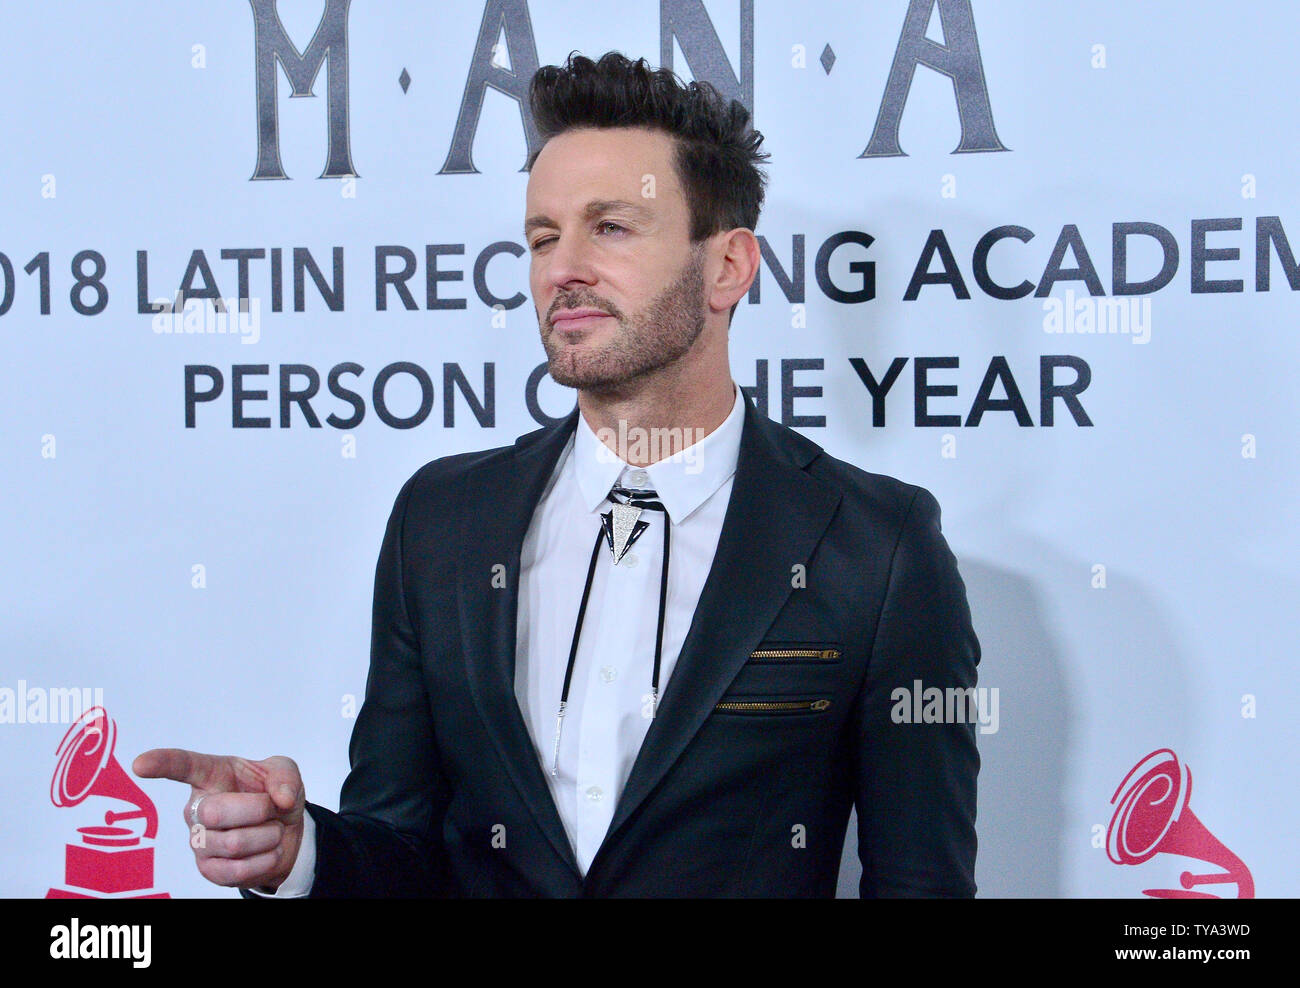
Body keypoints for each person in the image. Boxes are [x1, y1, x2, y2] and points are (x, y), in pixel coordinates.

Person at [134, 51, 981, 897]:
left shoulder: (878, 548)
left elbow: (922, 882)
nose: (560, 268)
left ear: (728, 266)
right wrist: (304, 852)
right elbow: (405, 847)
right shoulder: (442, 521)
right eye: (543, 236)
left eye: (610, 227)